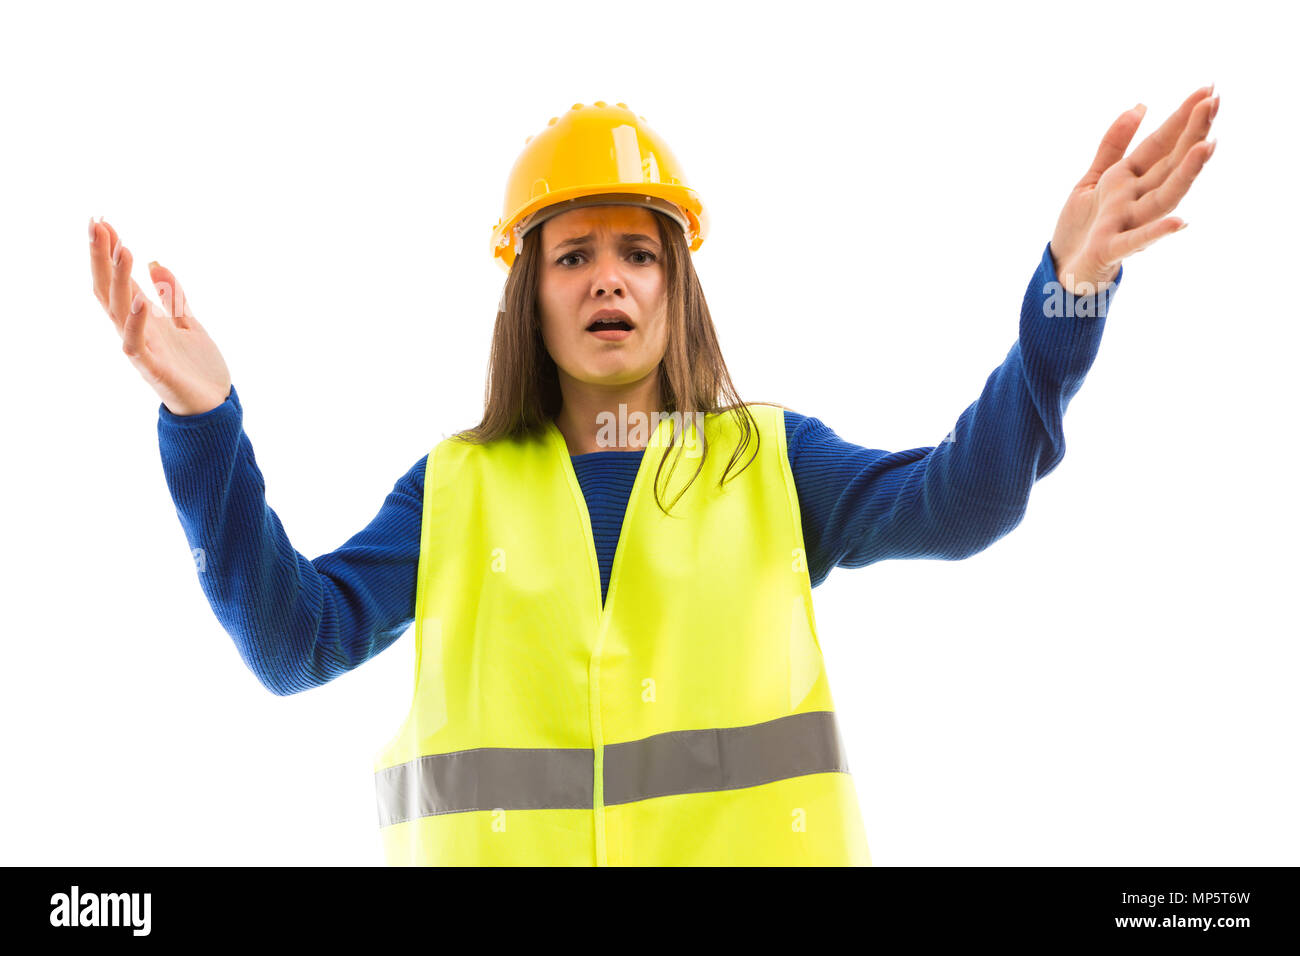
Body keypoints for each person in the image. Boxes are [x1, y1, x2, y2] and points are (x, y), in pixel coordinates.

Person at [87, 91, 1219, 866]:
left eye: (637, 251)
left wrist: (1068, 294)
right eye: (572, 254)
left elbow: (963, 501)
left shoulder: (763, 461)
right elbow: (295, 641)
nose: (607, 280)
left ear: (676, 286)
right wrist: (203, 422)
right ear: (528, 296)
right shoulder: (458, 486)